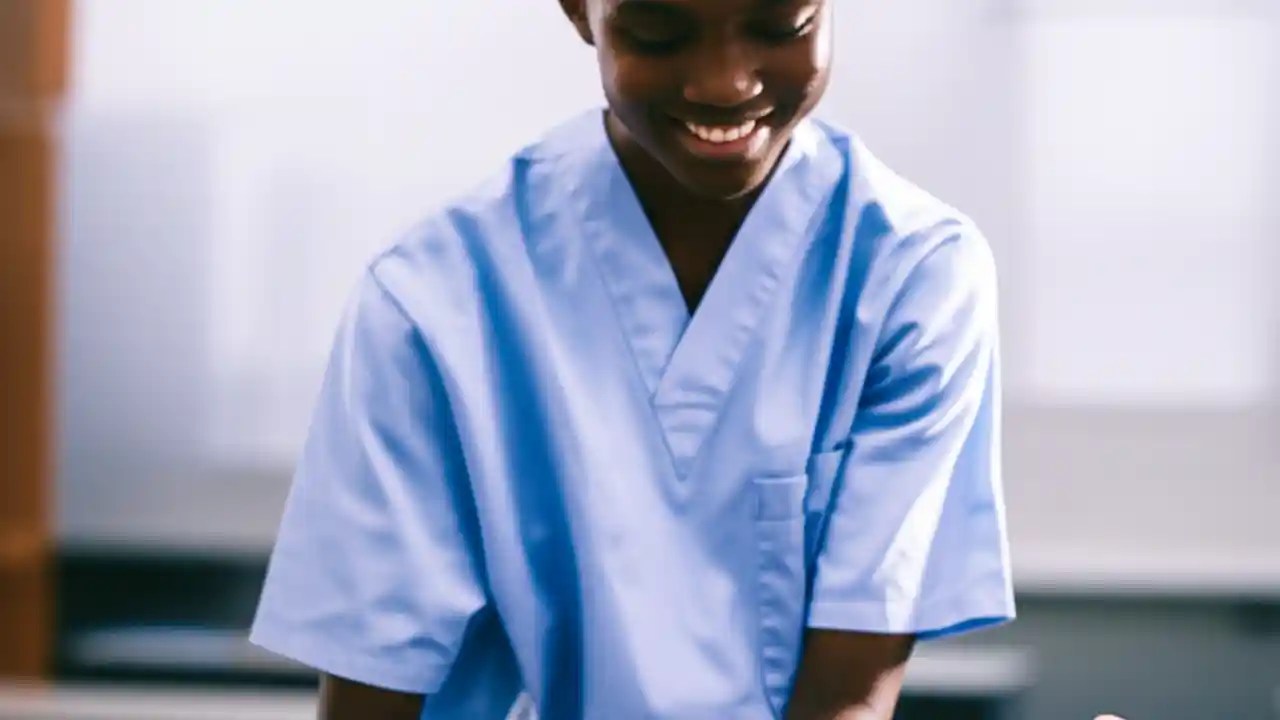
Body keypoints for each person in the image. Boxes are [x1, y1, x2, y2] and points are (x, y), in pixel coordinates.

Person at [250, 0, 1016, 718]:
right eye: (658, 32)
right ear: (581, 9)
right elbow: (373, 694)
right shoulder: (429, 299)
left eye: (782, 23)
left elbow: (847, 694)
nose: (726, 83)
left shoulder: (913, 274)